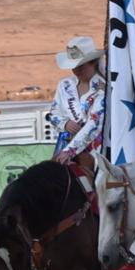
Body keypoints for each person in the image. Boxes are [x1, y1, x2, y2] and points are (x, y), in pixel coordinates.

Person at [48, 36, 106, 172]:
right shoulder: (64, 85)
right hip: (64, 143)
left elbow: (94, 124)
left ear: (92, 62)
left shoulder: (103, 89)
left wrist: (70, 151)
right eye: (73, 66)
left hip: (94, 149)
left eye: (81, 66)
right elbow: (53, 114)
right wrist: (65, 123)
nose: (76, 70)